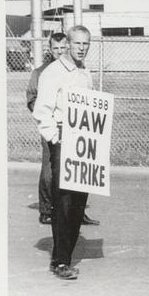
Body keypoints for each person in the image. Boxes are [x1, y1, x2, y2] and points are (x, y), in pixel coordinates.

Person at [32, 25, 95, 280]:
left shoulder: (84, 72)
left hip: (83, 142)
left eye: (86, 44)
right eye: (78, 43)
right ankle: (60, 261)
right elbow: (41, 111)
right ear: (67, 44)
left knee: (79, 201)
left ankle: (65, 257)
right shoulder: (53, 72)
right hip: (63, 139)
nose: (82, 48)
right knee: (65, 202)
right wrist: (55, 139)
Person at [26, 33, 68, 225]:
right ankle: (46, 209)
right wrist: (48, 121)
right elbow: (32, 99)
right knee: (50, 168)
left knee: (73, 169)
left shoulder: (74, 70)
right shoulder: (41, 72)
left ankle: (75, 210)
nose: (60, 52)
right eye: (56, 48)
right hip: (52, 126)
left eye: (63, 47)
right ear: (50, 50)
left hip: (72, 126)